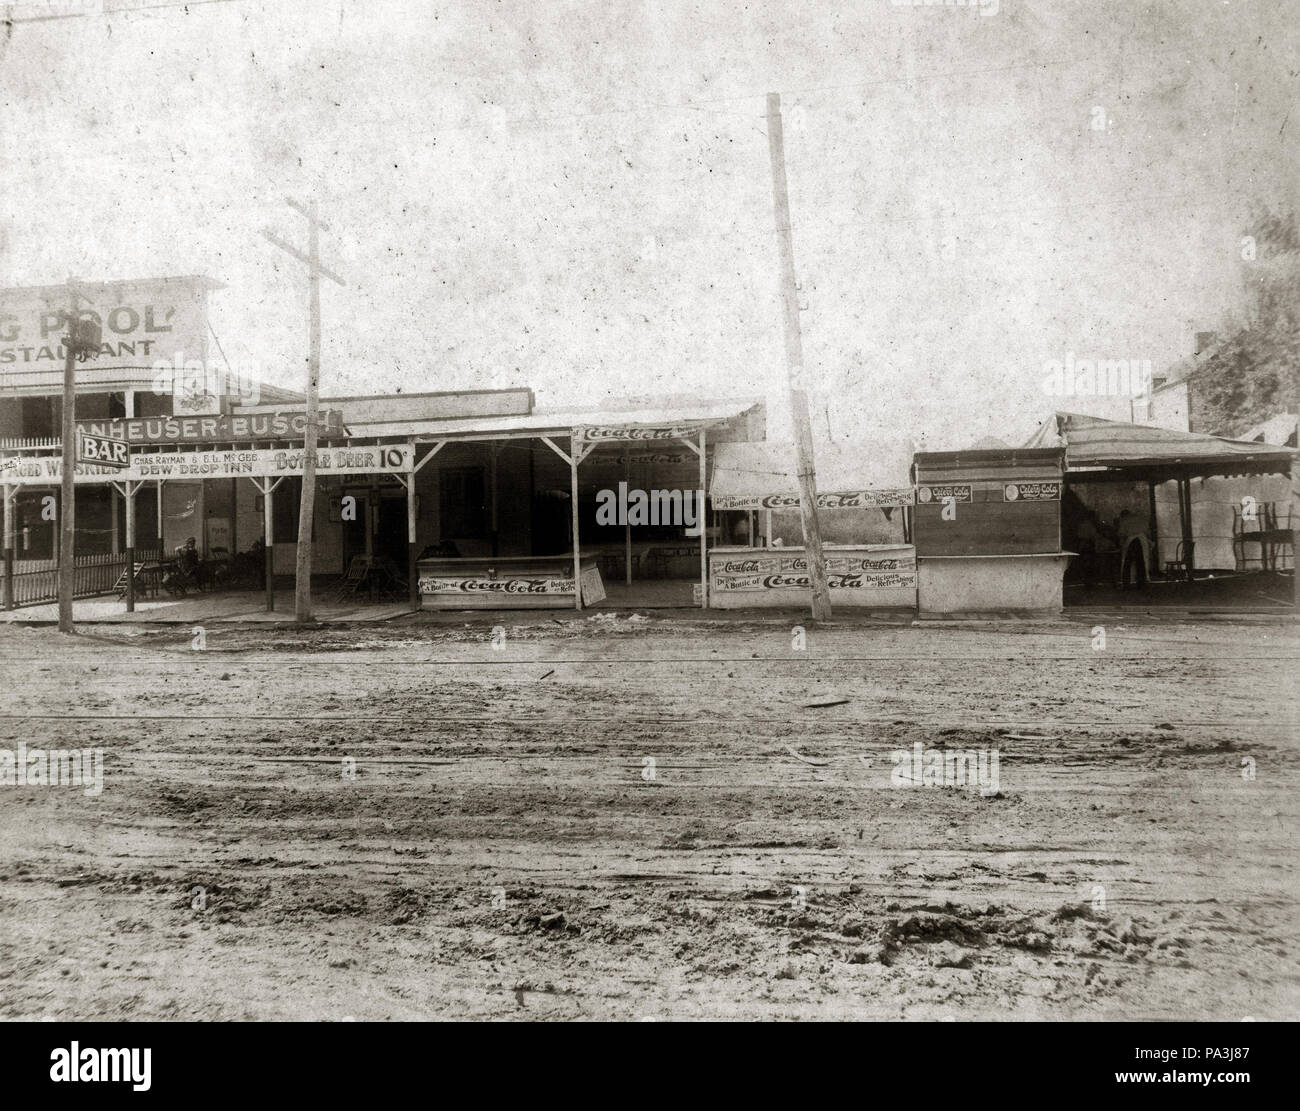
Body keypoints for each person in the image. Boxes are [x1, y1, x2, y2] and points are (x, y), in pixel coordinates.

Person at [1117, 509, 1150, 589]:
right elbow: (1147, 529)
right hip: (1142, 540)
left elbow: (1121, 533)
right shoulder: (1140, 518)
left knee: (1127, 563)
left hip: (1131, 541)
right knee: (1141, 563)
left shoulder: (1125, 520)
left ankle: (1126, 583)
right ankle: (1142, 583)